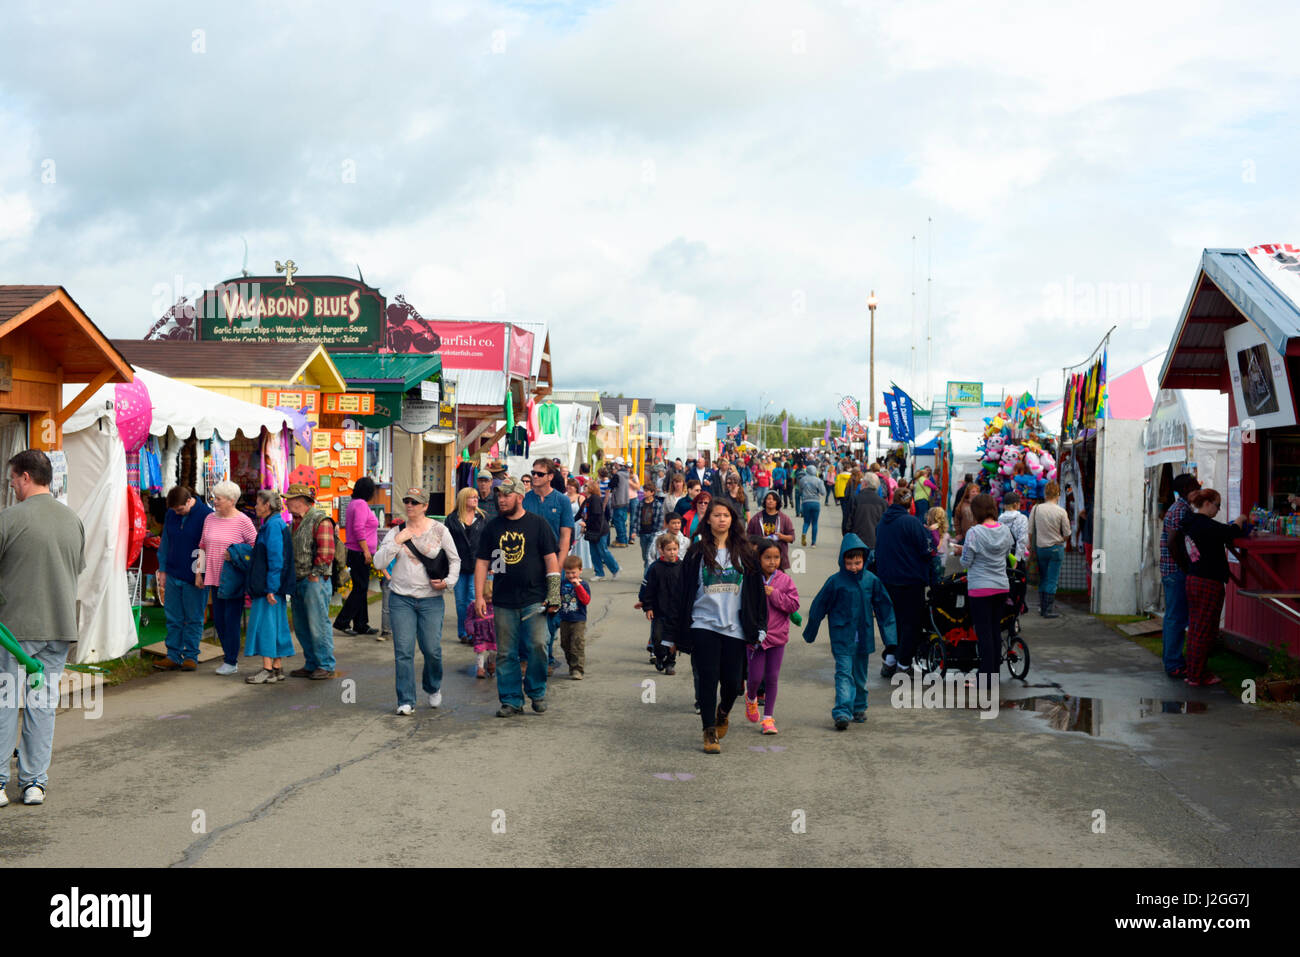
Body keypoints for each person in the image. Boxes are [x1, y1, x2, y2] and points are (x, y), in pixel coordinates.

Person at [0, 449, 85, 806]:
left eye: (12, 480)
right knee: (42, 704)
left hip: (16, 628)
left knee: (5, 702)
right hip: (60, 625)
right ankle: (34, 782)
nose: (12, 486)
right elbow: (76, 568)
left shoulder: (9, 519)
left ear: (24, 477)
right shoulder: (73, 519)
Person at [662, 501, 766, 754]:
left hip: (735, 628)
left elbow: (756, 593)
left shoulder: (744, 551)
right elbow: (682, 593)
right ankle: (709, 731)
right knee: (707, 679)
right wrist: (670, 635)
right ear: (707, 520)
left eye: (726, 515)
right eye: (716, 515)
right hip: (703, 623)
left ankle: (723, 711)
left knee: (733, 683)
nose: (722, 519)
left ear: (733, 519)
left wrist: (760, 626)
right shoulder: (697, 552)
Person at [474, 475, 562, 717]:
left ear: (520, 497)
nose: (501, 500)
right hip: (503, 599)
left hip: (534, 598)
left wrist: (554, 594)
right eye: (499, 495)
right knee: (506, 652)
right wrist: (480, 596)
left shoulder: (538, 524)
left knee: (537, 645)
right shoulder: (493, 527)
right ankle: (511, 700)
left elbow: (551, 560)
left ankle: (536, 691)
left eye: (507, 495)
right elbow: (483, 562)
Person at [373, 487, 459, 714]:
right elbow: (378, 562)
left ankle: (432, 686)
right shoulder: (395, 532)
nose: (410, 505)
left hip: (431, 600)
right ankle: (406, 700)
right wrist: (396, 542)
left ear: (425, 506)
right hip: (402, 599)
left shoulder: (440, 530)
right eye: (407, 501)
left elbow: (455, 560)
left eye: (415, 502)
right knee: (403, 651)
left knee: (432, 649)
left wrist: (448, 582)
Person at [803, 533, 897, 730]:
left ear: (864, 560)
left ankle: (859, 707)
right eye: (849, 563)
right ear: (842, 561)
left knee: (860, 676)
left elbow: (884, 609)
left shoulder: (871, 581)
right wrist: (811, 631)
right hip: (841, 636)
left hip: (863, 636)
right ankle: (842, 712)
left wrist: (891, 639)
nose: (854, 567)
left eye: (858, 562)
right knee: (844, 673)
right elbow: (818, 606)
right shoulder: (835, 582)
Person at [1176, 488, 1248, 687]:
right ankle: (1198, 675)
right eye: (1217, 505)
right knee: (1205, 629)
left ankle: (1193, 671)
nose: (1218, 509)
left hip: (1193, 578)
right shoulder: (1205, 525)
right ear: (1206, 503)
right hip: (1209, 581)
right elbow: (1231, 533)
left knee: (1196, 628)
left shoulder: (1189, 524)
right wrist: (1240, 520)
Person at [873, 486, 934, 678]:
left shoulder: (884, 522)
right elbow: (927, 550)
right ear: (910, 503)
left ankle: (890, 659)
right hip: (910, 581)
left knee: (893, 622)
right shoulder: (911, 522)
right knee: (910, 624)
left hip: (887, 580)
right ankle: (903, 663)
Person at [197, 481, 256, 676]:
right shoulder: (209, 519)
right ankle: (228, 657)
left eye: (219, 499)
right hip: (213, 577)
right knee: (219, 621)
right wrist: (198, 572)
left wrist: (237, 553)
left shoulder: (243, 521)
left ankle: (231, 660)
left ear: (232, 501)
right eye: (214, 497)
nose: (215, 502)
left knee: (230, 621)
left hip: (232, 578)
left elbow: (256, 547)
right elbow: (202, 547)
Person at [522, 458, 575, 672]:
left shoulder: (562, 501)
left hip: (554, 564)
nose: (534, 476)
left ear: (550, 477)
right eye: (533, 473)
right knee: (527, 610)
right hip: (528, 564)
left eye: (539, 474)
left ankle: (548, 656)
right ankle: (526, 657)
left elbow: (565, 536)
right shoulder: (524, 499)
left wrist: (559, 567)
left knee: (552, 611)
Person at [743, 539, 800, 735]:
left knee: (772, 677)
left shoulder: (785, 580)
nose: (772, 562)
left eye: (776, 558)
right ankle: (750, 698)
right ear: (759, 559)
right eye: (767, 557)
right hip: (755, 637)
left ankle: (768, 718)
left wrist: (774, 594)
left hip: (777, 636)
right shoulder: (750, 578)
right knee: (755, 677)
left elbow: (793, 605)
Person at [154, 485, 214, 671]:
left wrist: (200, 573)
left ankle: (190, 655)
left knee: (194, 616)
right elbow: (166, 542)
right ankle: (173, 654)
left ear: (189, 501)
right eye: (174, 510)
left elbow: (207, 546)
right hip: (173, 572)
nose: (177, 513)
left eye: (180, 510)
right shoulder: (172, 514)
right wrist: (162, 570)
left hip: (193, 575)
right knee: (173, 616)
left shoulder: (206, 515)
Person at [284, 484, 339, 680]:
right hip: (299, 580)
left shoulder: (320, 520)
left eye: (289, 498)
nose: (286, 501)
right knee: (301, 625)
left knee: (318, 624)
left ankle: (325, 664)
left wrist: (314, 574)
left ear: (301, 501)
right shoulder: (295, 522)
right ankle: (311, 663)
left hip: (314, 581)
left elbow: (326, 553)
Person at [957, 493, 1014, 680]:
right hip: (1001, 586)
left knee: (984, 633)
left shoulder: (974, 533)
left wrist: (961, 551)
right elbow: (1006, 554)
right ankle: (994, 673)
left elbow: (966, 562)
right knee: (995, 630)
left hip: (980, 587)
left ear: (976, 511)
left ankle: (985, 675)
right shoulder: (1005, 531)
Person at [243, 489, 295, 684]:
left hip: (268, 588)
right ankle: (277, 667)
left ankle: (267, 668)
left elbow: (276, 559)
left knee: (265, 627)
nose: (255, 507)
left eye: (258, 503)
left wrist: (270, 588)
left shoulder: (272, 526)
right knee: (277, 625)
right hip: (274, 587)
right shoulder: (277, 524)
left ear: (267, 505)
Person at [1159, 473, 1200, 678]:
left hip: (1171, 570)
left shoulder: (1180, 508)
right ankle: (1173, 663)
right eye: (1195, 487)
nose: (1198, 490)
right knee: (1176, 618)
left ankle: (1171, 659)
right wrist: (1185, 567)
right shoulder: (1180, 510)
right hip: (1175, 571)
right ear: (1187, 490)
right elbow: (1173, 541)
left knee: (1173, 618)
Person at [335, 476, 378, 636]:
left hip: (356, 551)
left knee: (362, 587)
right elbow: (359, 529)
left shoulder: (355, 503)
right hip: (359, 552)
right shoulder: (360, 504)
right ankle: (342, 621)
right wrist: (366, 551)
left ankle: (361, 623)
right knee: (360, 588)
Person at [445, 486, 486, 644]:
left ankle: (474, 632)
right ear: (463, 500)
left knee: (473, 599)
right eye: (472, 497)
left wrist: (496, 565)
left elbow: (491, 542)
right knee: (460, 602)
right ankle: (463, 632)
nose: (476, 499)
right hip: (458, 566)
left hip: (478, 565)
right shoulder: (452, 519)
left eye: (476, 497)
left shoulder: (482, 518)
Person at [639, 534, 685, 674]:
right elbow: (647, 589)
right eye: (669, 549)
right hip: (659, 611)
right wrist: (648, 607)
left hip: (676, 611)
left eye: (675, 549)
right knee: (658, 638)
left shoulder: (682, 567)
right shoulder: (655, 568)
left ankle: (670, 663)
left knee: (672, 640)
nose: (672, 552)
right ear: (661, 550)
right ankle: (659, 657)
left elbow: (688, 588)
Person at [1028, 480, 1071, 618]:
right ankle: (1048, 610)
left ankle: (1042, 607)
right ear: (1058, 494)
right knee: (1052, 579)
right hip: (1056, 548)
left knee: (1043, 578)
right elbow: (1067, 533)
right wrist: (1060, 540)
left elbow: (1030, 531)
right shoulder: (1061, 511)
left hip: (1040, 548)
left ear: (1045, 494)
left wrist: (1032, 544)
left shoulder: (1036, 509)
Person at [557, 555, 592, 679]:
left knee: (577, 644)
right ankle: (571, 663)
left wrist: (578, 586)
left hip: (578, 619)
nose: (571, 575)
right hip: (565, 618)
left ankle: (577, 669)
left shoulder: (584, 585)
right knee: (565, 643)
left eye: (573, 572)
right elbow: (558, 597)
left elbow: (586, 600)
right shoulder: (563, 583)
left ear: (580, 571)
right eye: (568, 573)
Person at [747, 491, 795, 570]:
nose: (770, 501)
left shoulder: (784, 519)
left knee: (779, 581)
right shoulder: (756, 518)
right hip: (760, 557)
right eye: (768, 499)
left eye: (773, 499)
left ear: (777, 502)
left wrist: (781, 537)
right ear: (765, 501)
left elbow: (792, 538)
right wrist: (758, 541)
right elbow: (748, 536)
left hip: (778, 559)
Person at [845, 471, 885, 554]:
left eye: (862, 481)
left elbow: (847, 521)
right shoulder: (882, 503)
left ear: (865, 484)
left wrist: (847, 536)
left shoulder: (855, 499)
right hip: (875, 543)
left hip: (856, 542)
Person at [466, 578, 498, 679]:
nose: (489, 601)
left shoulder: (496, 605)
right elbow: (469, 618)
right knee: (480, 651)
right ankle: (480, 668)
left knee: (494, 651)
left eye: (491, 598)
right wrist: (470, 628)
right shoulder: (474, 605)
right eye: (486, 598)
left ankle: (491, 662)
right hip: (480, 633)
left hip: (493, 633)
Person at [636, 480, 666, 568]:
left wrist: (657, 532)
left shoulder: (657, 505)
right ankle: (649, 572)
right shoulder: (640, 504)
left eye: (646, 491)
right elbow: (636, 518)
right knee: (645, 556)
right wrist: (634, 531)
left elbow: (660, 520)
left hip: (653, 533)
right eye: (644, 491)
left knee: (649, 555)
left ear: (652, 492)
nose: (644, 493)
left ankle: (647, 578)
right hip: (642, 533)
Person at [796, 466, 825, 547]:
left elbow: (800, 491)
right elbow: (823, 492)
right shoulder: (818, 480)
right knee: (815, 523)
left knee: (806, 521)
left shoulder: (802, 479)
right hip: (815, 502)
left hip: (806, 502)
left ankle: (804, 533)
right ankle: (813, 543)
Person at [998, 492, 1029, 563]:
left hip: (1002, 557)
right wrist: (1016, 559)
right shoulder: (1022, 518)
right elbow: (1022, 540)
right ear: (1016, 504)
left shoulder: (999, 519)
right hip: (1018, 557)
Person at [608, 459, 632, 546]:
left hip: (618, 500)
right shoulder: (626, 473)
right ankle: (622, 539)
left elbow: (611, 485)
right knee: (622, 520)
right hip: (625, 499)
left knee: (618, 521)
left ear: (617, 464)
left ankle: (621, 540)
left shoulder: (618, 475)